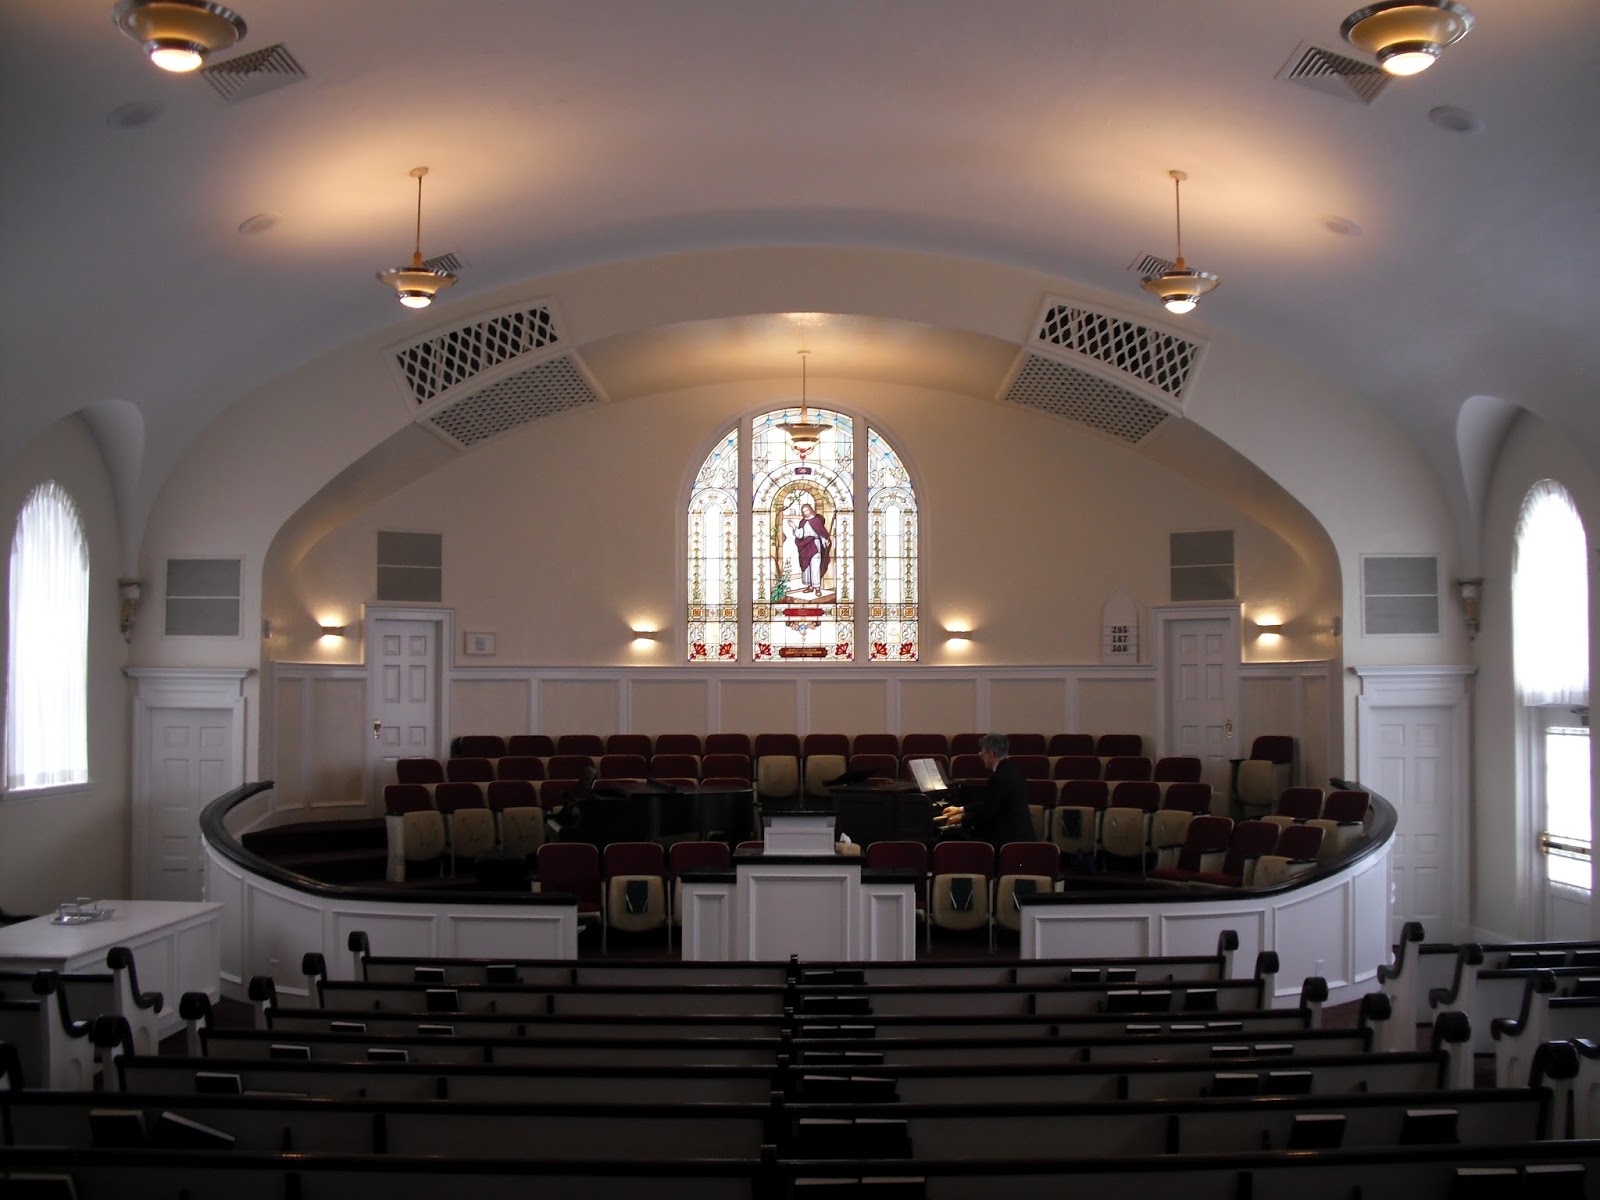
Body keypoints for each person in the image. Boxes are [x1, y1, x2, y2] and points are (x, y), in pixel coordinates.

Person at [940, 733, 1034, 845]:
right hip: (1022, 835)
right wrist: (961, 809)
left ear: (991, 753)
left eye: (982, 752)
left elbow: (988, 813)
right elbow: (990, 803)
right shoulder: (1014, 770)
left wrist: (962, 819)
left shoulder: (998, 777)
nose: (981, 755)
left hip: (1006, 839)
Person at [787, 502, 830, 591]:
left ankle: (817, 587)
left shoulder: (817, 520)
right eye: (803, 511)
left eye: (806, 510)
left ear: (810, 510)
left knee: (815, 566)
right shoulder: (803, 522)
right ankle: (810, 586)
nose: (805, 513)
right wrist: (794, 526)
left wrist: (825, 541)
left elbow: (821, 533)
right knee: (807, 567)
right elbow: (800, 535)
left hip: (815, 544)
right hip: (805, 545)